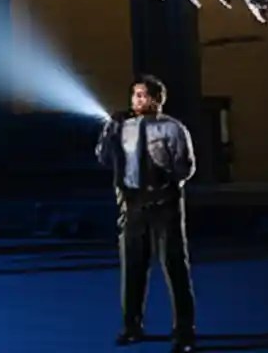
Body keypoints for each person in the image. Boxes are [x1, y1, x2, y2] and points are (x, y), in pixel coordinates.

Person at [95, 74, 196, 352]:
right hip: (133, 203)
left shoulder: (172, 128)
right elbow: (104, 158)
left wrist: (165, 178)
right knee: (133, 268)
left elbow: (186, 166)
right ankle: (131, 326)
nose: (137, 100)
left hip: (164, 203)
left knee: (175, 267)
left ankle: (184, 331)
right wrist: (109, 131)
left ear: (157, 99)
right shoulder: (122, 127)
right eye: (134, 95)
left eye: (143, 95)